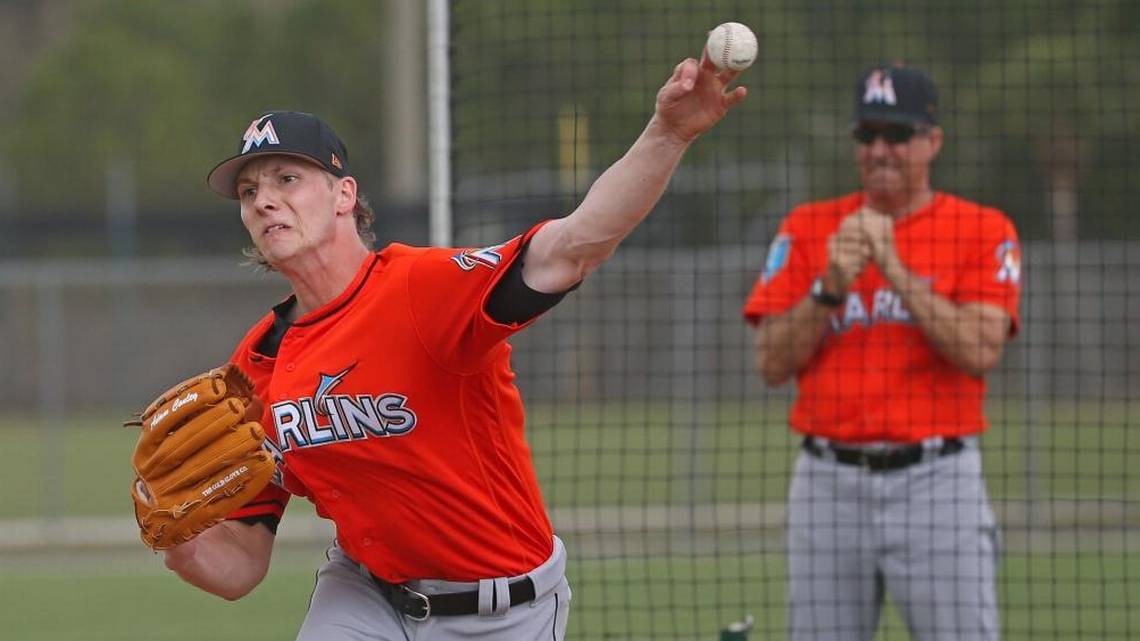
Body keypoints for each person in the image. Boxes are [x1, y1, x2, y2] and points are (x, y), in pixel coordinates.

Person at [158, 50, 746, 641]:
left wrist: (667, 133)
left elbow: (575, 244)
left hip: (502, 608)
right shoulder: (258, 363)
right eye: (248, 190)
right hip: (365, 593)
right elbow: (240, 568)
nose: (262, 200)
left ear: (343, 195)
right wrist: (177, 536)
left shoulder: (423, 290)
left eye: (287, 179)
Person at [743, 63, 1021, 641]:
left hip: (937, 483)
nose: (880, 150)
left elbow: (980, 350)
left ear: (932, 140)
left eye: (897, 134)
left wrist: (893, 267)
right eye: (867, 135)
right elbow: (770, 363)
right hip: (827, 484)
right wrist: (828, 290)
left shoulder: (982, 228)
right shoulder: (809, 226)